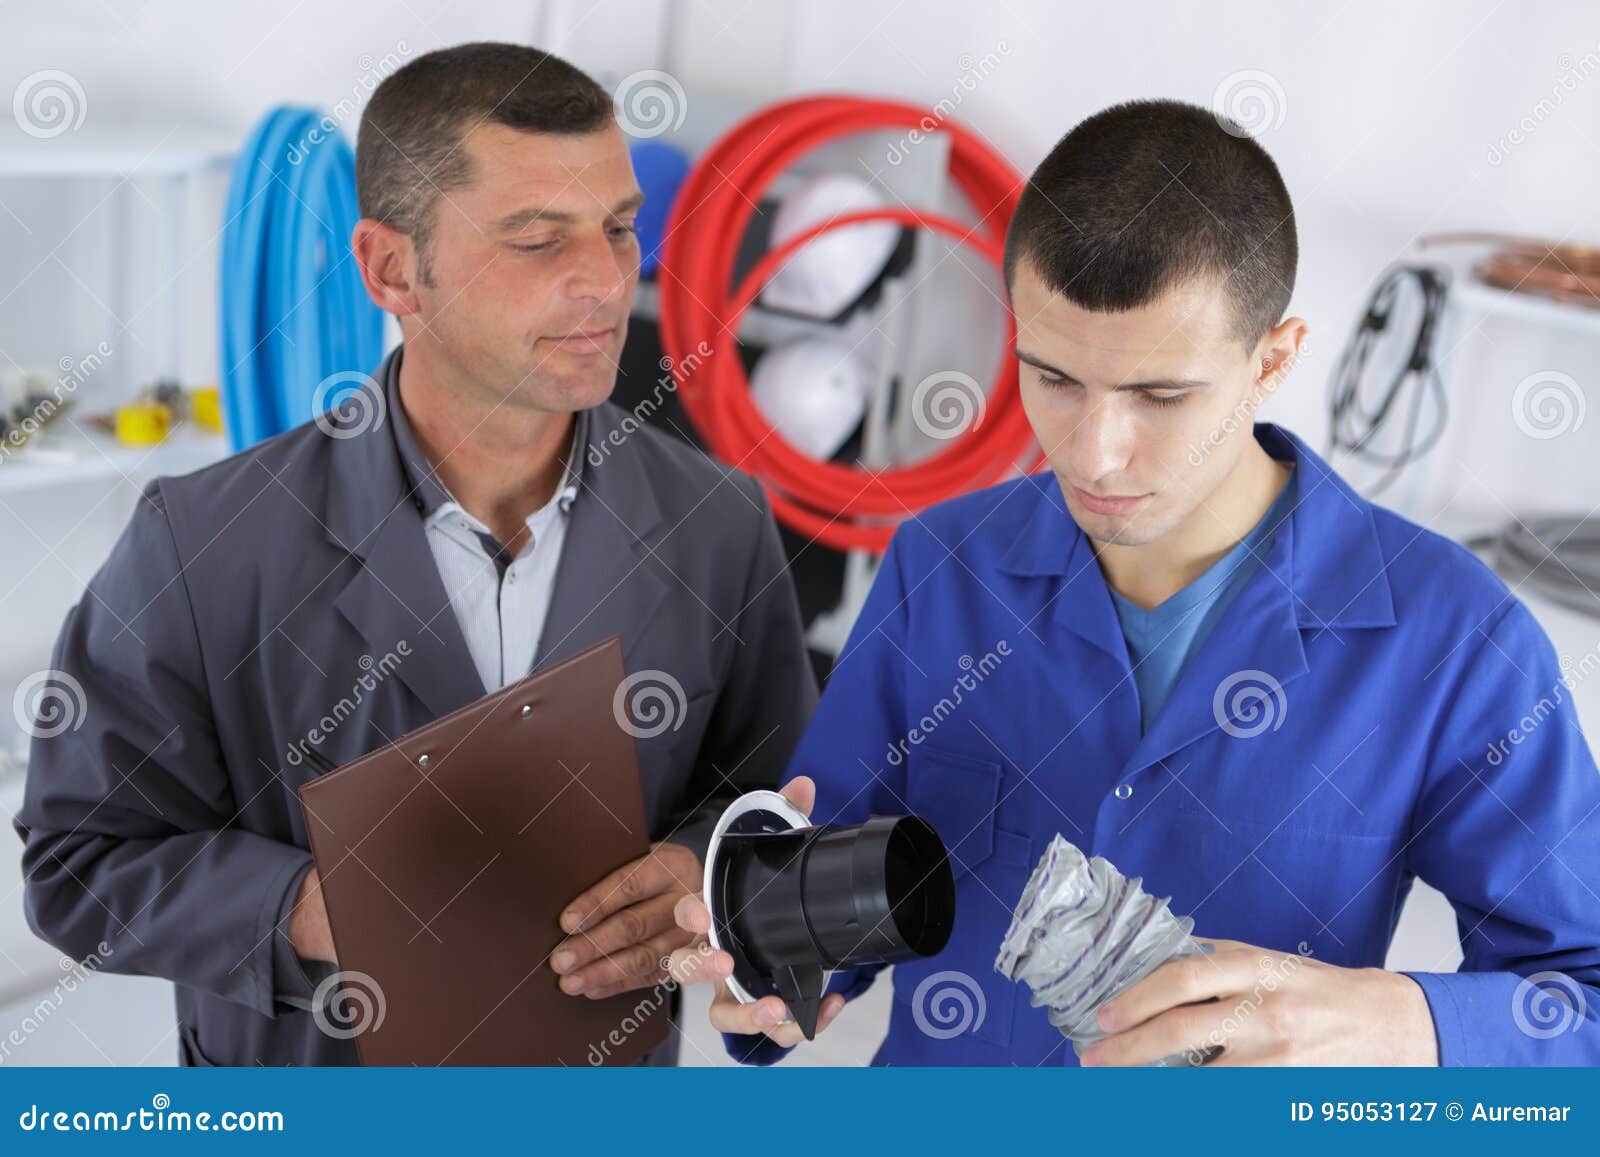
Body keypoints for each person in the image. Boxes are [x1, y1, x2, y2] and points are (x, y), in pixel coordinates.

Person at [669, 98, 1600, 1066]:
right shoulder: (943, 562)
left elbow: (1584, 1001)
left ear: (1273, 358)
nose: (1094, 454)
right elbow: (828, 878)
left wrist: (1399, 1021)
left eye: (1160, 395)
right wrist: (780, 971)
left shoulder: (1454, 637)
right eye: (1054, 378)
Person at [14, 42, 816, 1066]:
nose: (605, 283)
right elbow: (79, 861)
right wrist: (308, 909)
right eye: (537, 241)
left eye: (618, 229)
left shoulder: (718, 522)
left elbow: (776, 804)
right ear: (393, 269)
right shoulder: (202, 542)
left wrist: (704, 868)